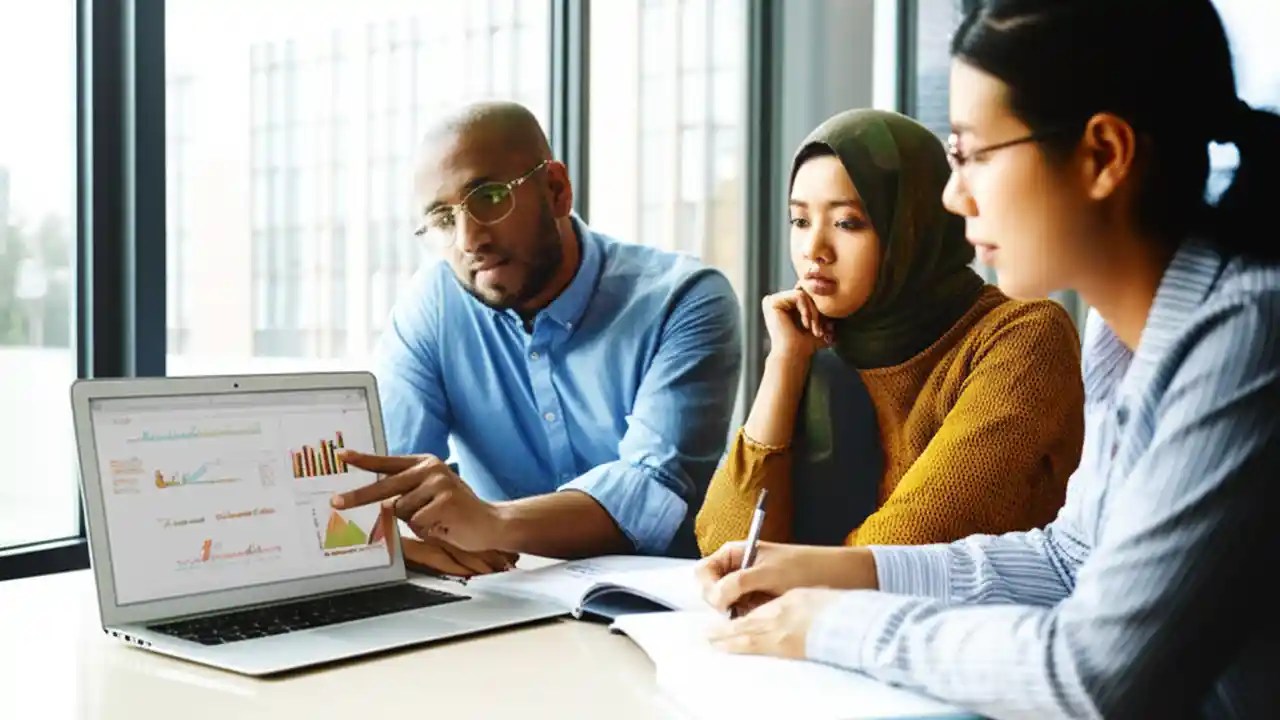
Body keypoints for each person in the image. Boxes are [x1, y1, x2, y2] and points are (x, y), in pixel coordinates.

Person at [696, 1, 1280, 717]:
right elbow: (1071, 558)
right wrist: (840, 571)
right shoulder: (1116, 331)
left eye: (973, 155)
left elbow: (1094, 675)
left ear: (1104, 155)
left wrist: (830, 622)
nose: (951, 194)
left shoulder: (1250, 336)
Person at [330, 100, 742, 573]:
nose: (469, 240)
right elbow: (385, 479)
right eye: (444, 220)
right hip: (501, 600)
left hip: (656, 611)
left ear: (557, 190)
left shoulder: (685, 299)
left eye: (487, 198)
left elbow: (653, 493)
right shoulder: (433, 304)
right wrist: (405, 541)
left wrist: (492, 522)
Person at [695, 108, 1084, 556]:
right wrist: (784, 362)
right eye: (800, 221)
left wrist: (786, 574)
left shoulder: (1021, 338)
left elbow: (906, 551)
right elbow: (727, 549)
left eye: (847, 223)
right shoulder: (818, 345)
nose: (813, 250)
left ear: (912, 227)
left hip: (972, 624)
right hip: (823, 620)